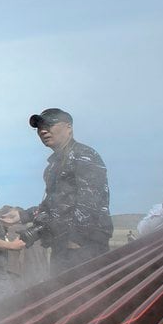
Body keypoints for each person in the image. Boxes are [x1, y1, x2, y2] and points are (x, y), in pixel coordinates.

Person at [23, 108, 112, 275]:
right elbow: (56, 205)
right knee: (63, 295)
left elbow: (90, 200)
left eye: (49, 125)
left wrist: (76, 238)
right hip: (63, 243)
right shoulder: (54, 165)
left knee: (86, 294)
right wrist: (23, 215)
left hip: (85, 245)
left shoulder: (84, 155)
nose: (43, 131)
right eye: (39, 128)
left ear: (68, 127)